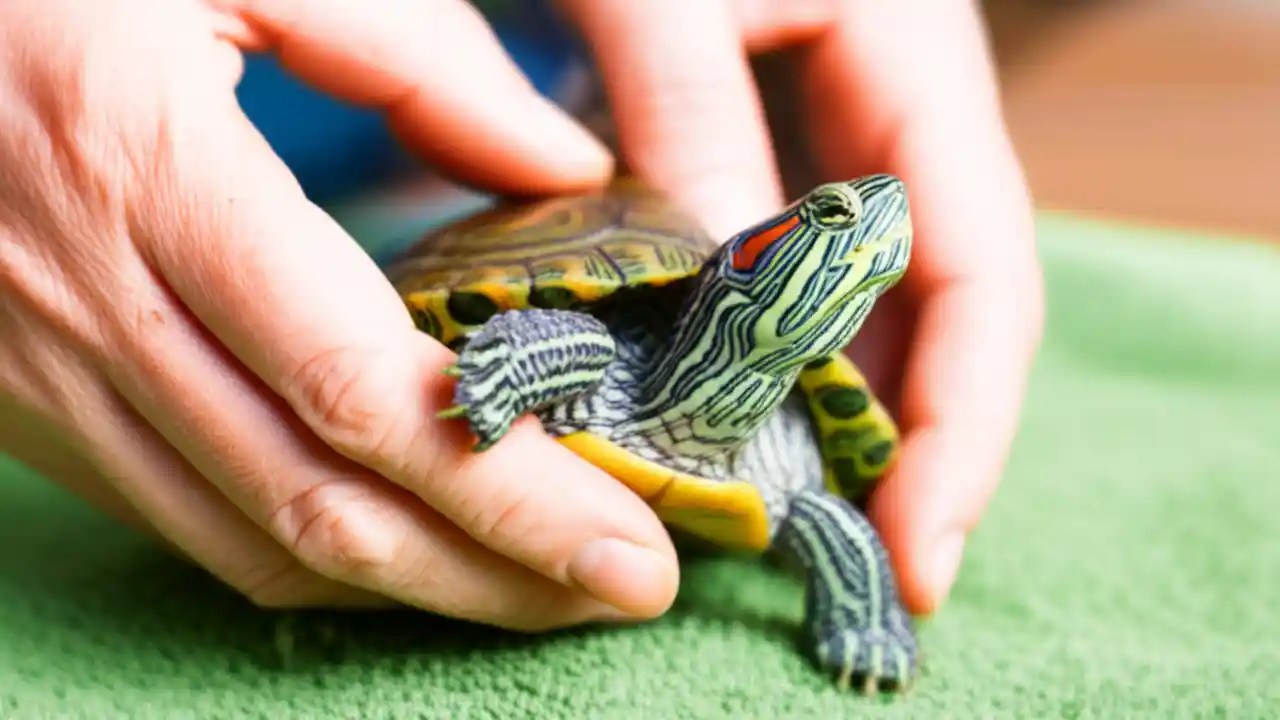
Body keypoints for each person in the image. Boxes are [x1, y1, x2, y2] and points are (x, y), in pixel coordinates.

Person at [0, 0, 1043, 630]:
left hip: (515, 75)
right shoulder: (593, 349)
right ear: (748, 254)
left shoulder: (782, 450)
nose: (867, 218)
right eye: (821, 219)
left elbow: (819, 513)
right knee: (570, 333)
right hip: (256, 134)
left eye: (860, 241)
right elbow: (558, 334)